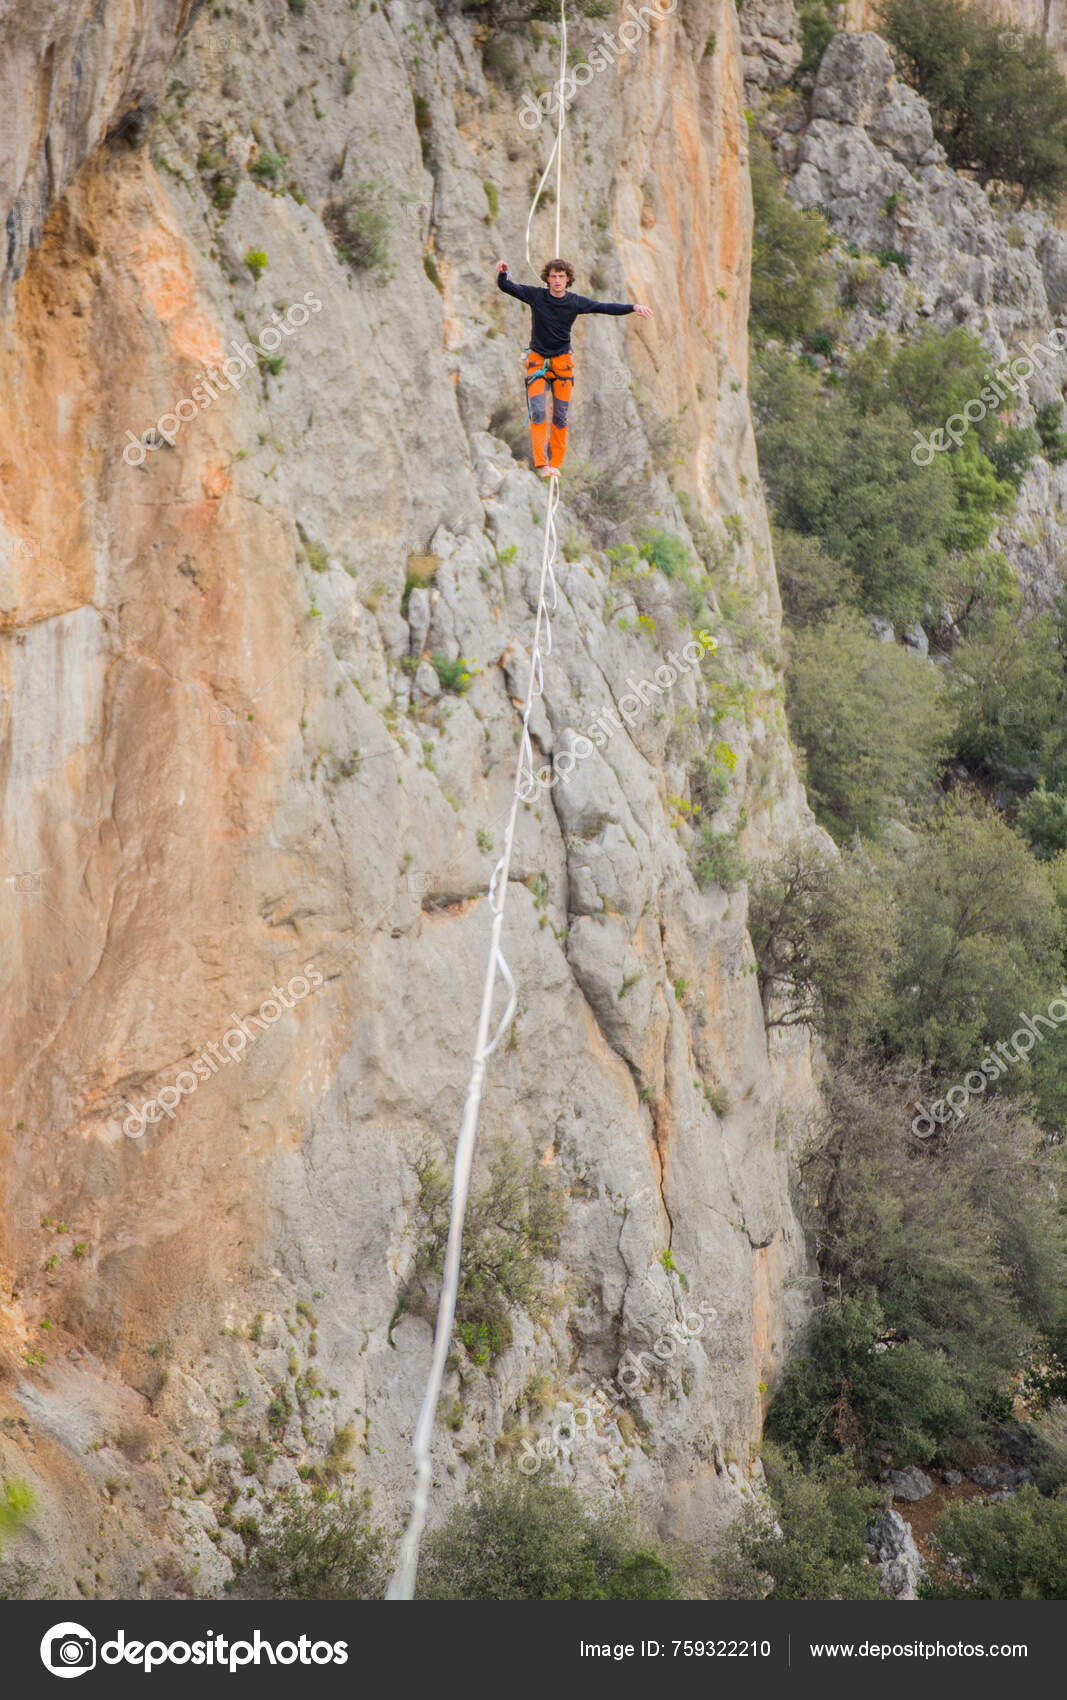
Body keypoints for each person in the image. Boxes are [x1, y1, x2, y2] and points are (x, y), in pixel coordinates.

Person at [495, 258, 653, 477]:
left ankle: (555, 464)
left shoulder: (574, 302)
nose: (557, 281)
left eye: (561, 276)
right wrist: (503, 273)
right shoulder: (536, 296)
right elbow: (507, 287)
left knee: (560, 416)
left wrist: (633, 307)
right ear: (547, 279)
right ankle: (542, 464)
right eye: (553, 277)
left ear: (567, 279)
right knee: (539, 412)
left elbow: (604, 307)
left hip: (561, 366)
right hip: (538, 362)